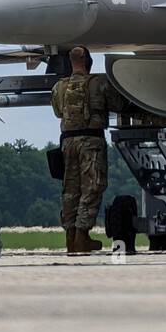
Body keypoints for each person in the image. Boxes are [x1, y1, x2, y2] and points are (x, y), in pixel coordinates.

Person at [51, 46, 128, 256]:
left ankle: (70, 237)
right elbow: (118, 105)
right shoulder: (99, 83)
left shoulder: (60, 86)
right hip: (91, 141)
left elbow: (58, 112)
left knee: (70, 190)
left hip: (67, 142)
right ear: (88, 60)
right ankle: (82, 236)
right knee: (92, 186)